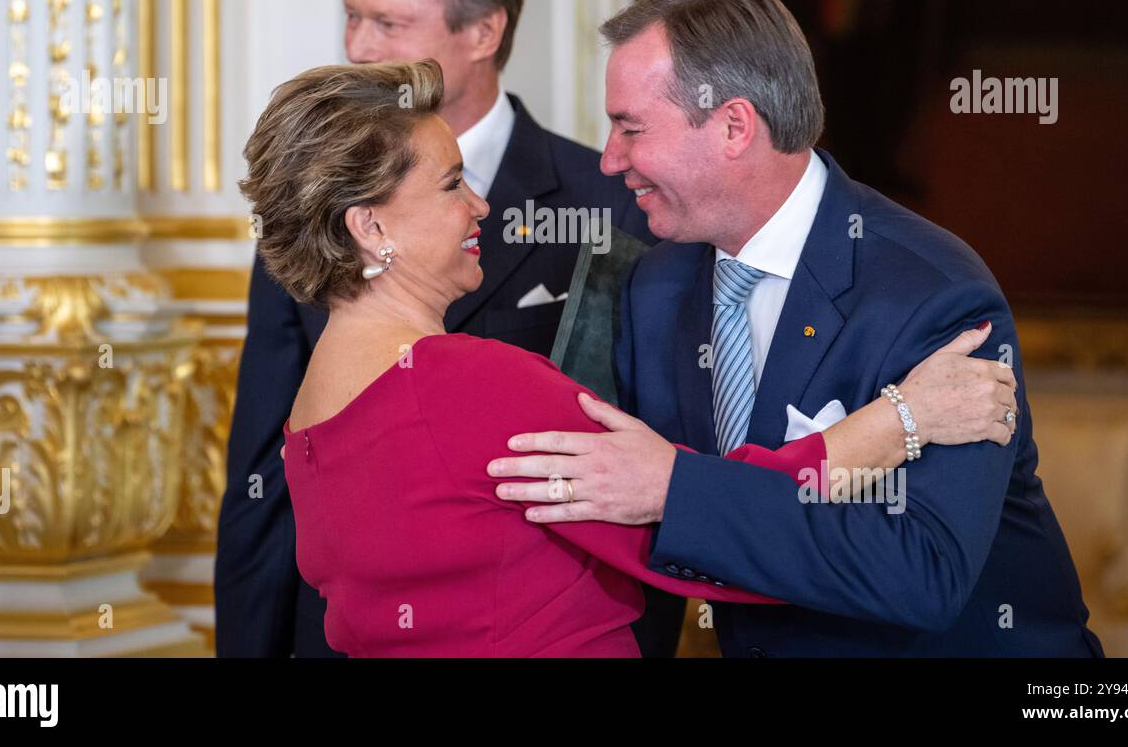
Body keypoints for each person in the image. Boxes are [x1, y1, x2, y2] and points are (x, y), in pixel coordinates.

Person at [243, 58, 1016, 657]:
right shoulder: (465, 384)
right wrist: (903, 419)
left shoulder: (310, 415)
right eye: (452, 185)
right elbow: (699, 524)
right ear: (371, 227)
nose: (480, 205)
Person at [487, 0, 1103, 657]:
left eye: (630, 129)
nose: (610, 160)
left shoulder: (932, 294)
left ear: (733, 126)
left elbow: (924, 574)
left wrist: (675, 488)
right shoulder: (654, 287)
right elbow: (641, 543)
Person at [213, 0, 652, 657]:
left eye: (389, 23)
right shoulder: (317, 198)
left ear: (484, 31)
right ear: (365, 227)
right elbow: (262, 471)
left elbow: (652, 473)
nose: (360, 45)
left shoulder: (614, 202)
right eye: (353, 17)